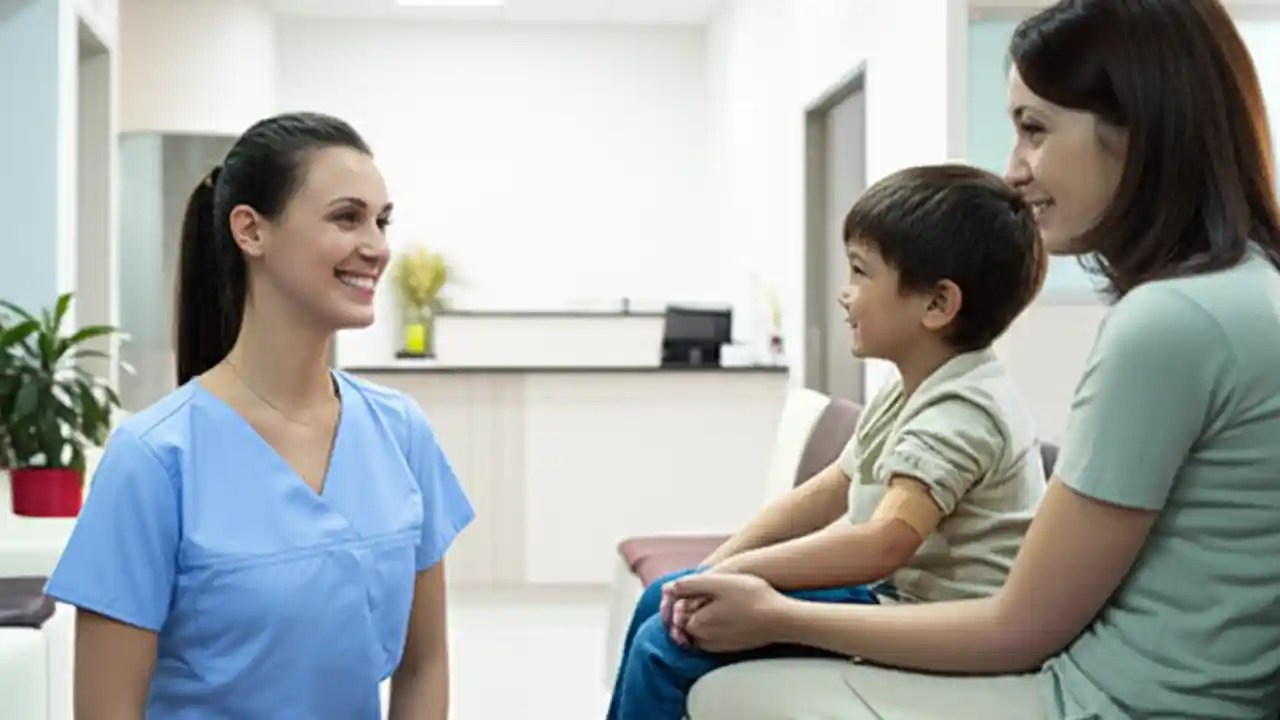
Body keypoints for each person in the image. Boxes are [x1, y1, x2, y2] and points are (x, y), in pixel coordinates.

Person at [669, 1, 1280, 718]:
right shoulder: (1246, 288)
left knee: (694, 664)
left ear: (1140, 129)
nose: (1013, 169)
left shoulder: (1170, 322)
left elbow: (1017, 628)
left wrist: (778, 614)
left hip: (1098, 700)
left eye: (1034, 130)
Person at [44, 112, 474, 719]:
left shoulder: (400, 433)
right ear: (250, 231)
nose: (377, 246)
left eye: (382, 221)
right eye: (346, 217)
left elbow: (424, 665)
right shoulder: (155, 458)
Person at [606, 163, 1050, 720]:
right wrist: (719, 565)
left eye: (861, 273)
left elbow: (882, 543)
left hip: (930, 625)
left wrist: (745, 574)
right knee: (665, 596)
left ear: (937, 305)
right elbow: (832, 487)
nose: (845, 295)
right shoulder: (914, 385)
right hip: (894, 597)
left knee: (664, 648)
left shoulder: (962, 409)